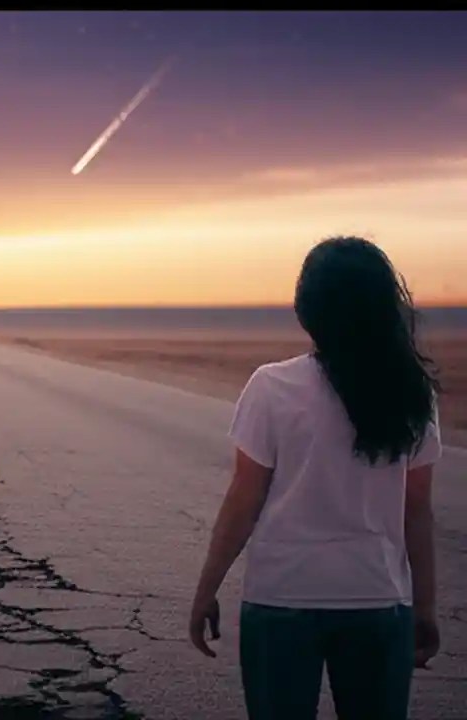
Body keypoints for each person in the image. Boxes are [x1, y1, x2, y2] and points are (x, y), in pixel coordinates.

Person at [188, 236, 442, 720]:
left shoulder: (272, 386)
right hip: (378, 600)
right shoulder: (411, 392)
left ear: (307, 309)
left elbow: (243, 501)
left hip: (283, 599)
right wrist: (424, 606)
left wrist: (207, 590)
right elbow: (417, 510)